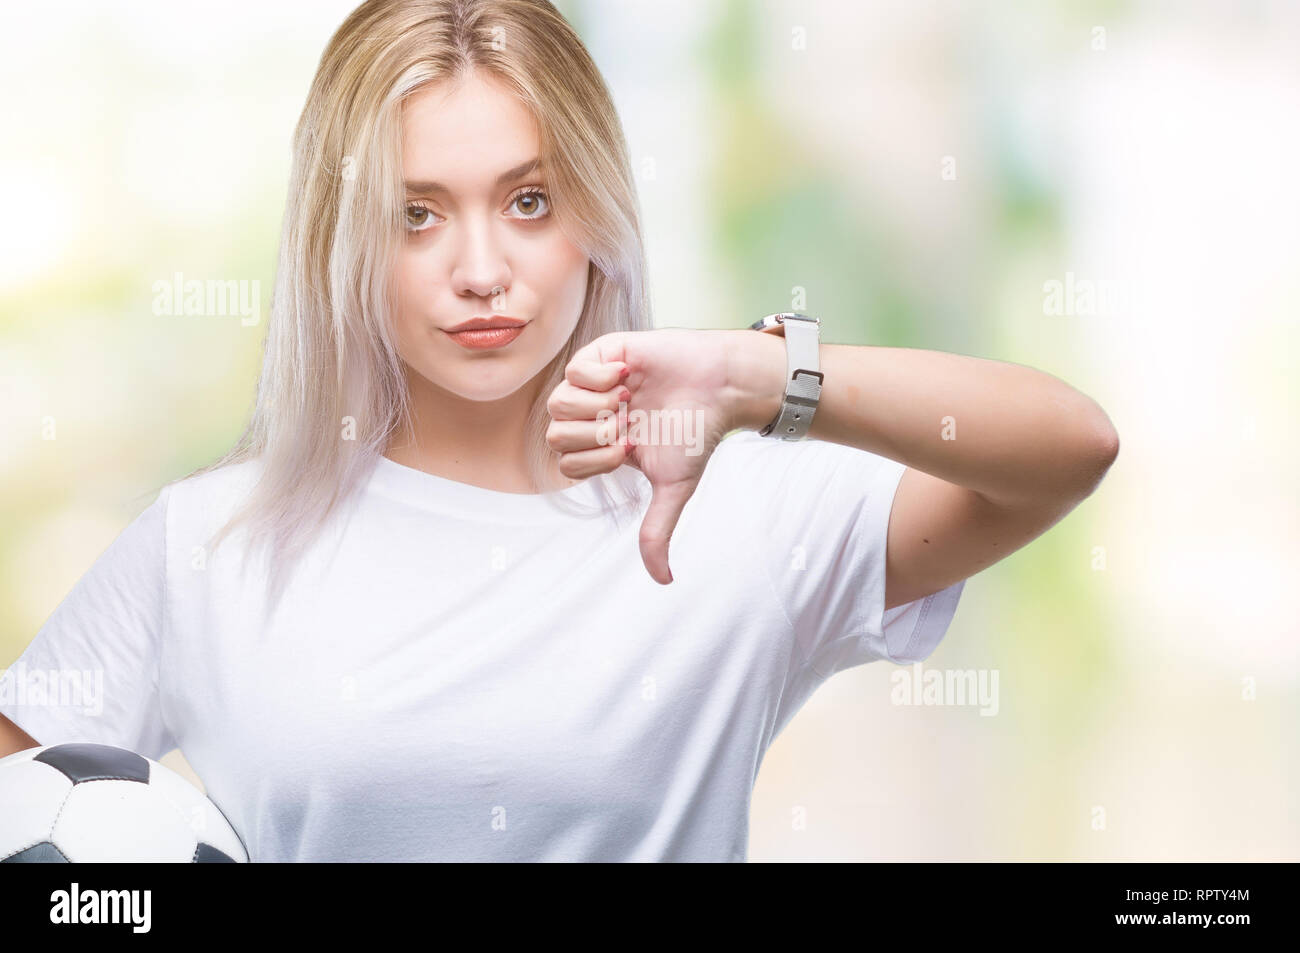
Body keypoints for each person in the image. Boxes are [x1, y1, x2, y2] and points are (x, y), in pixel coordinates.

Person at [0, 0, 1118, 862]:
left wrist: (751, 366)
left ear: (594, 207)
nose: (481, 270)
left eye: (528, 199)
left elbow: (1068, 446)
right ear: (341, 237)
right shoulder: (212, 544)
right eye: (415, 213)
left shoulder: (736, 513)